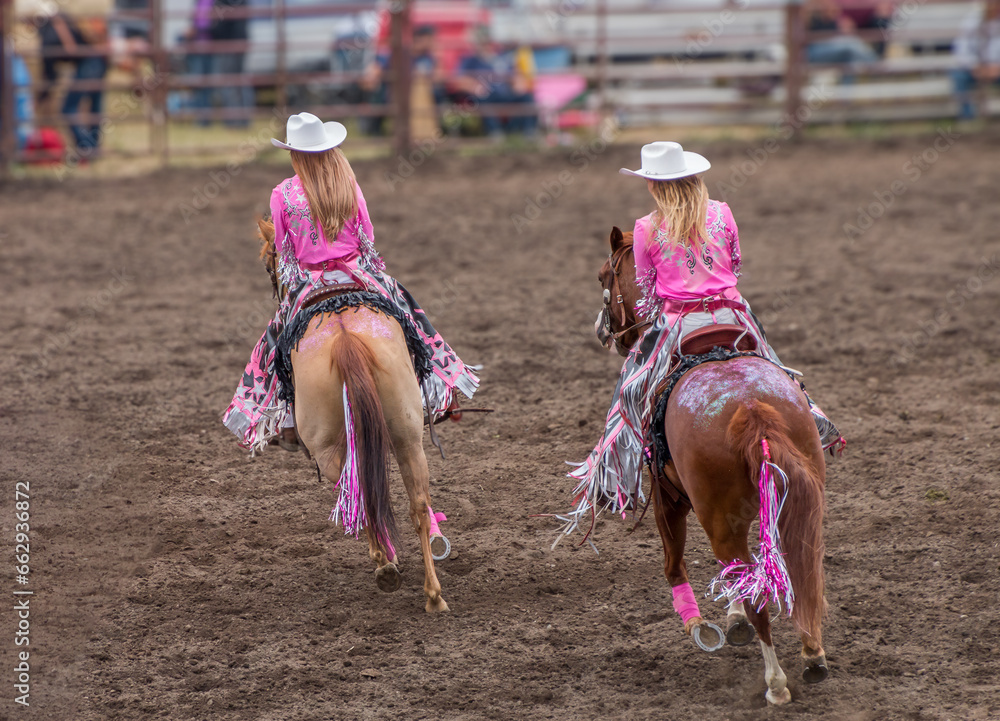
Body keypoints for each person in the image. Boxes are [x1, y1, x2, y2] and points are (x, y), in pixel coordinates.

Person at [567, 142, 842, 524]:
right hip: (733, 314)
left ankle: (612, 473)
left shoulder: (647, 228)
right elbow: (737, 264)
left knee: (630, 391)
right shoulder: (723, 212)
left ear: (652, 184)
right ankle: (816, 419)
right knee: (776, 368)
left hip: (679, 324)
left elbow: (646, 296)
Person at [223, 113, 479, 452]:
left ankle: (279, 417)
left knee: (274, 345)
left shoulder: (281, 194)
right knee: (409, 314)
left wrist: (294, 288)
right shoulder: (347, 183)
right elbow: (367, 237)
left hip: (310, 283)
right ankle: (439, 386)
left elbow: (285, 255)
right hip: (357, 272)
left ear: (294, 154)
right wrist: (372, 272)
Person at [36, 9, 108, 153]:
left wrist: (39, 99)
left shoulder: (46, 38)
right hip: (98, 60)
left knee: (68, 108)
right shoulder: (60, 21)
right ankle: (93, 148)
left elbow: (50, 76)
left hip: (88, 63)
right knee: (95, 107)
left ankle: (88, 147)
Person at [454, 27, 536, 138]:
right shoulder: (469, 60)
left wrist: (518, 83)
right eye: (482, 41)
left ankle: (527, 132)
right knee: (482, 98)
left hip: (506, 93)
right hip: (485, 94)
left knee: (526, 97)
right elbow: (459, 80)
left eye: (487, 40)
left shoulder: (502, 57)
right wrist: (474, 86)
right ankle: (495, 133)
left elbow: (515, 76)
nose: (485, 44)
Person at [951, 0, 1000, 120]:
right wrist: (974, 66)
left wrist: (997, 67)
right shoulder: (971, 21)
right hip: (974, 68)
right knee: (958, 76)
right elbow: (961, 50)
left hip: (996, 69)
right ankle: (968, 117)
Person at [805, 0, 879, 67]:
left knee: (849, 54)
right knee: (850, 45)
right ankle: (876, 66)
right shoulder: (810, 12)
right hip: (813, 51)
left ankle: (850, 80)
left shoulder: (832, 12)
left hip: (830, 47)